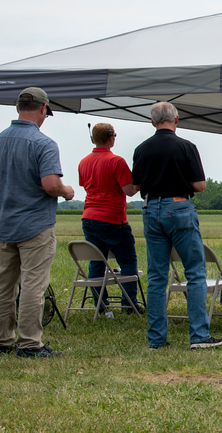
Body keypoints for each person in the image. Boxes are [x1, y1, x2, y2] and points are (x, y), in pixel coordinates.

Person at [0, 87, 74, 358]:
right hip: (35, 225)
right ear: (43, 109)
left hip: (4, 224)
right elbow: (49, 184)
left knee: (3, 284)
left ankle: (1, 341)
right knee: (34, 284)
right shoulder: (43, 143)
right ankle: (30, 343)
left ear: (17, 107)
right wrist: (66, 190)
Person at [127, 101, 222, 350]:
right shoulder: (186, 147)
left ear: (152, 122)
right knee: (195, 273)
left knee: (157, 277)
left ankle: (156, 339)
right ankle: (199, 335)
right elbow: (200, 185)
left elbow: (134, 186)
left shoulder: (141, 149)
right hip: (180, 207)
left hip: (150, 210)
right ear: (177, 119)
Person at [77, 122, 141, 316]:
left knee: (97, 260)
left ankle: (101, 304)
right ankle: (128, 303)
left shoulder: (83, 162)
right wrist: (140, 181)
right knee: (128, 260)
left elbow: (85, 185)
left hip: (89, 216)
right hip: (113, 218)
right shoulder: (117, 161)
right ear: (111, 137)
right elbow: (129, 191)